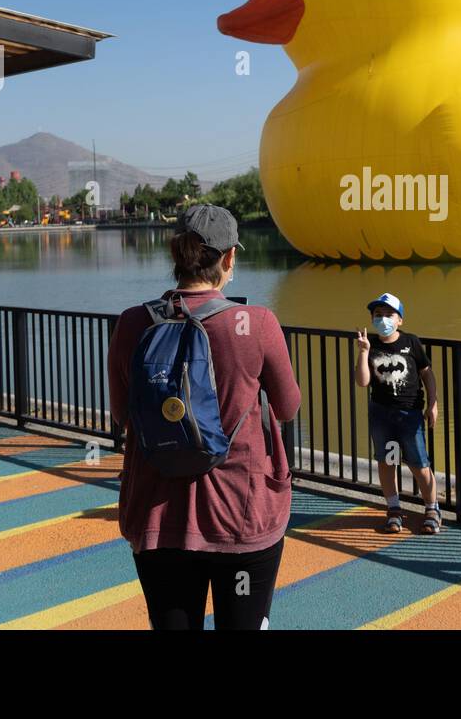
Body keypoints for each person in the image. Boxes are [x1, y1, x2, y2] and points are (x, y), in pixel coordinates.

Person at [108, 204, 300, 629]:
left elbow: (124, 417)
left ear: (176, 254)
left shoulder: (131, 323)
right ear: (229, 258)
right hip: (241, 514)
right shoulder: (258, 323)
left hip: (158, 518)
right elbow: (288, 408)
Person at [354, 292, 441, 534]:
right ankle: (393, 509)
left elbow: (427, 374)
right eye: (377, 315)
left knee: (419, 463)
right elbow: (362, 382)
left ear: (400, 319)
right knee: (386, 461)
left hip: (410, 413)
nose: (383, 319)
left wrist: (433, 403)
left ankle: (432, 508)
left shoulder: (411, 342)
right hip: (381, 413)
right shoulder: (371, 345)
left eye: (389, 314)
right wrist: (363, 352)